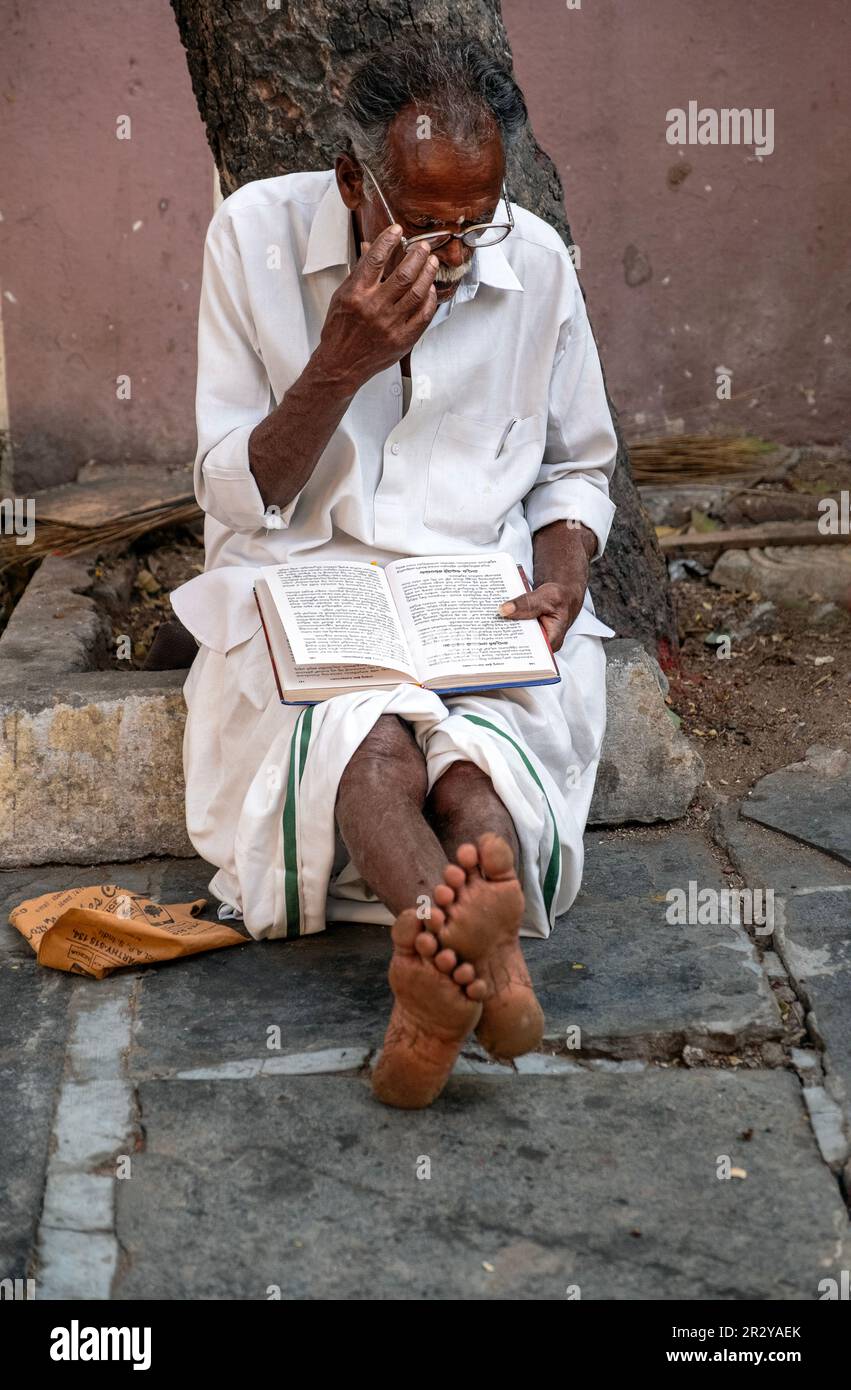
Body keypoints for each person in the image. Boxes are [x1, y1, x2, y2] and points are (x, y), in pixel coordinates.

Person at [171, 36, 618, 1109]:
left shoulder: (537, 261)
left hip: (475, 588)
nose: (456, 251)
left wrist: (561, 576)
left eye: (478, 219)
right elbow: (233, 492)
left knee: (472, 761)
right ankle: (481, 965)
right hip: (301, 574)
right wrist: (339, 361)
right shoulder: (253, 237)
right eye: (423, 222)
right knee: (367, 739)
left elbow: (575, 470)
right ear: (350, 181)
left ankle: (441, 960)